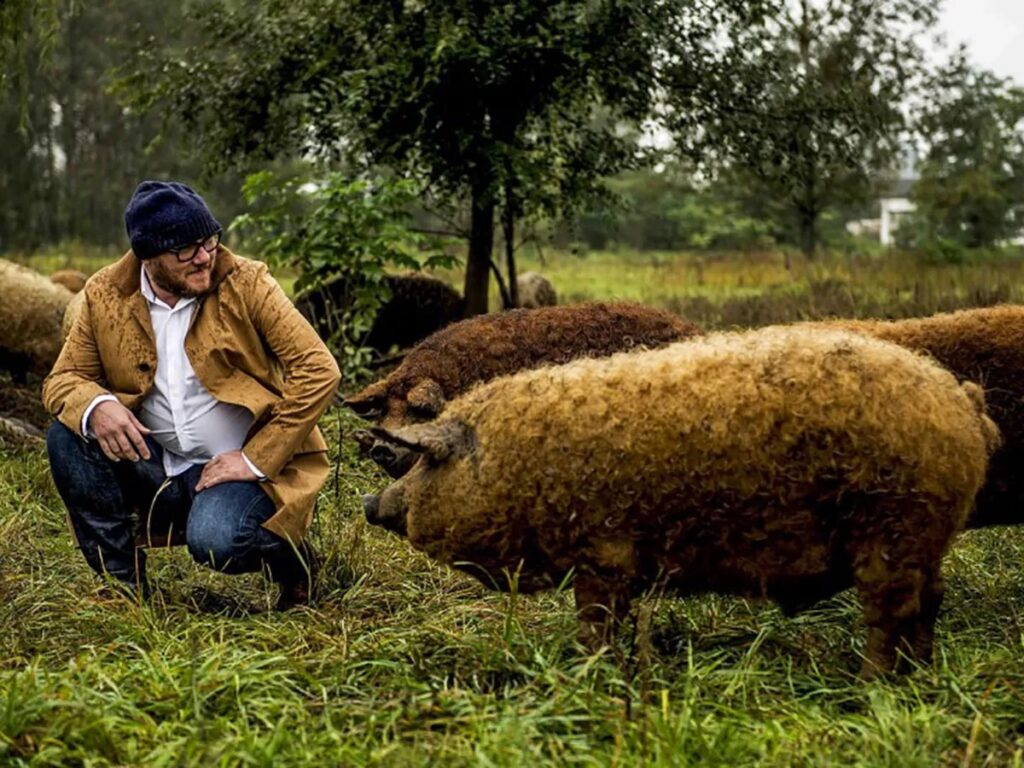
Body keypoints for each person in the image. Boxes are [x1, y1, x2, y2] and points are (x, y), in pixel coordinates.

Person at [42, 180, 341, 608]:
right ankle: (126, 588)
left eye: (209, 241)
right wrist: (96, 405)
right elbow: (63, 378)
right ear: (148, 256)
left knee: (220, 541)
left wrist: (254, 458)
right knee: (67, 435)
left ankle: (294, 562)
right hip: (155, 461)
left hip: (244, 467)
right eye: (185, 250)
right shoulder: (104, 295)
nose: (204, 257)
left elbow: (319, 370)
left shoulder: (247, 283)